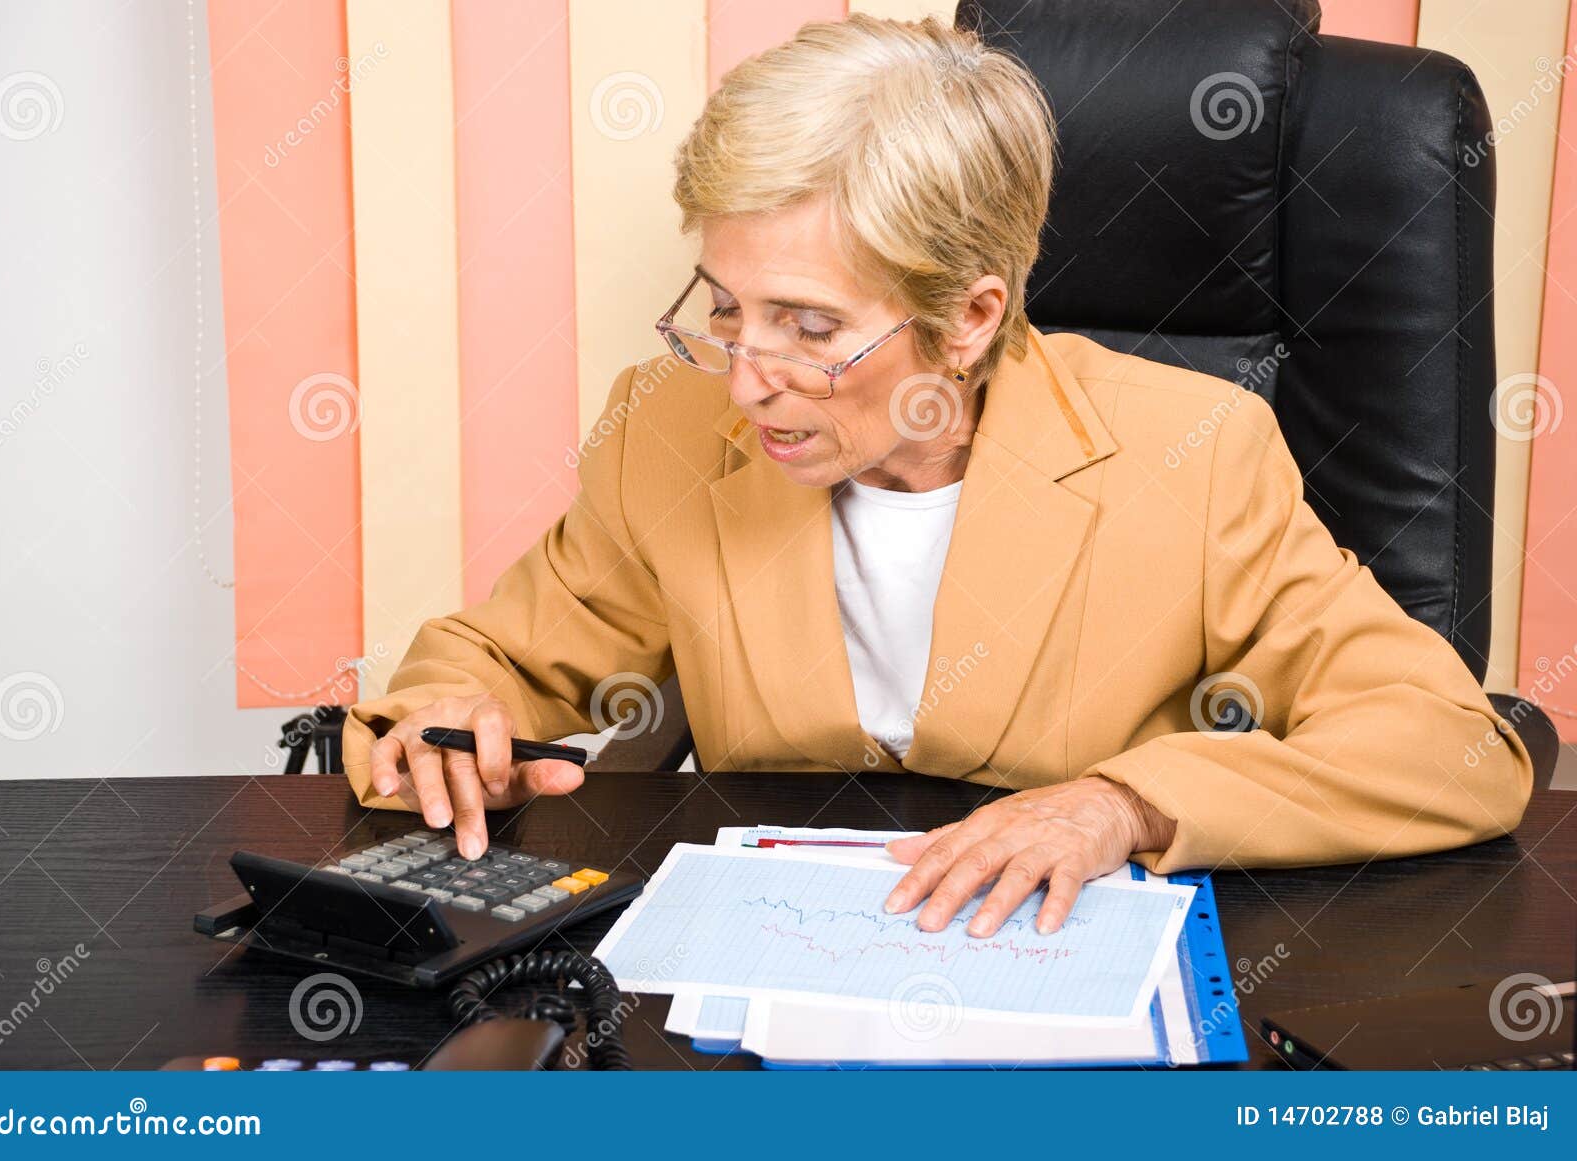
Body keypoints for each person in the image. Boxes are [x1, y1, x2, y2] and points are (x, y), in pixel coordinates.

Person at [342, 14, 1533, 938]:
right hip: (764, 955)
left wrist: (1122, 803)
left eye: (809, 327)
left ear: (967, 318)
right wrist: (445, 723)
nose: (746, 380)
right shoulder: (668, 425)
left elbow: (1449, 745)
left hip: (1054, 952)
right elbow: (495, 659)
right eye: (726, 309)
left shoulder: (1192, 453)